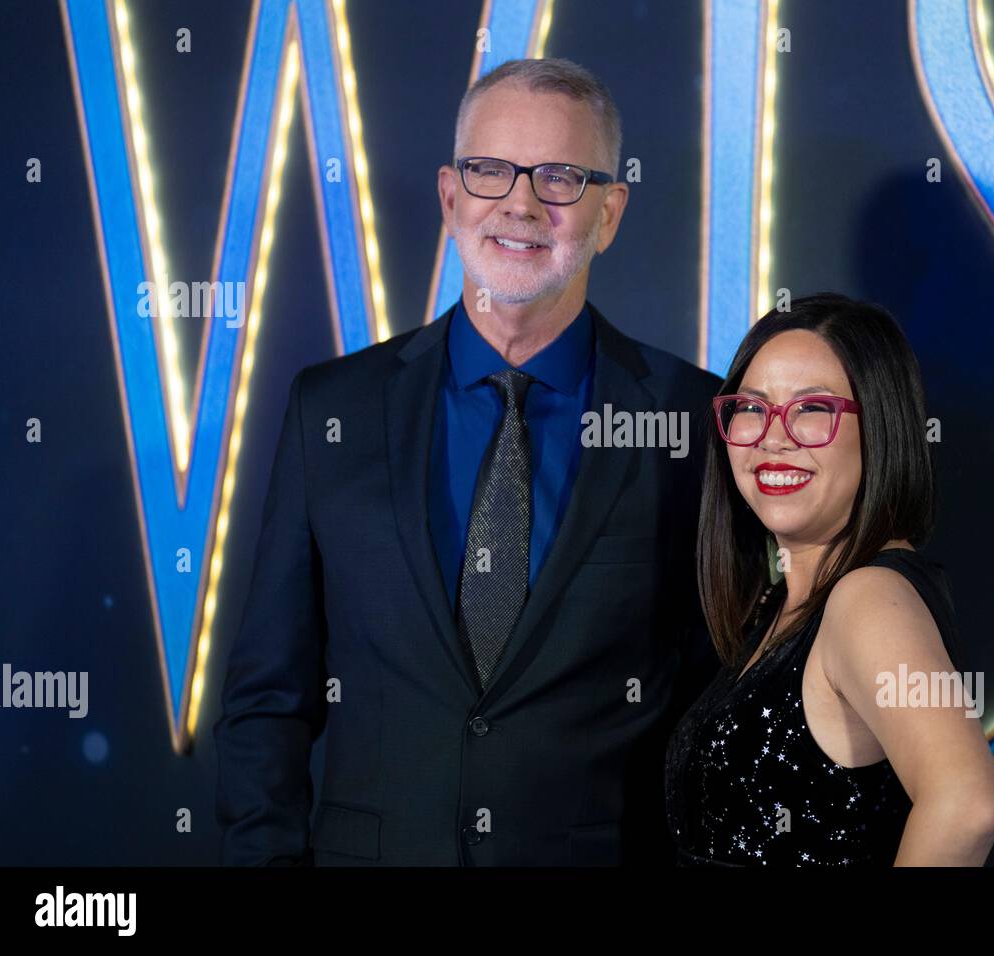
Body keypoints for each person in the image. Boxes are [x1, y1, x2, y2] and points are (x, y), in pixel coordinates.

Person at [214, 57, 722, 865]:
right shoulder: (333, 409)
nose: (521, 203)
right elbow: (267, 701)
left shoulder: (691, 418)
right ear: (452, 198)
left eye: (559, 177)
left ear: (610, 212)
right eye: (491, 172)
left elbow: (713, 706)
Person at [665, 293, 994, 865]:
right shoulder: (781, 603)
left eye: (813, 409)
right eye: (751, 408)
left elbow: (967, 803)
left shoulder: (867, 597)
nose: (774, 437)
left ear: (880, 427)